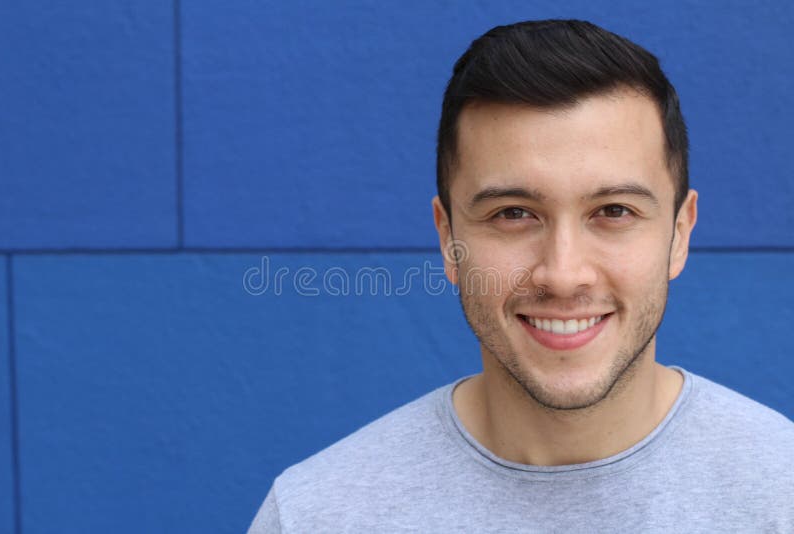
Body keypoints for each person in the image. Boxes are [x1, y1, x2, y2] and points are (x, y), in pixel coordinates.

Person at [248, 19, 794, 532]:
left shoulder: (780, 497)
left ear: (679, 234)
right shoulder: (318, 515)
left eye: (614, 211)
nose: (562, 274)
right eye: (512, 214)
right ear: (448, 239)